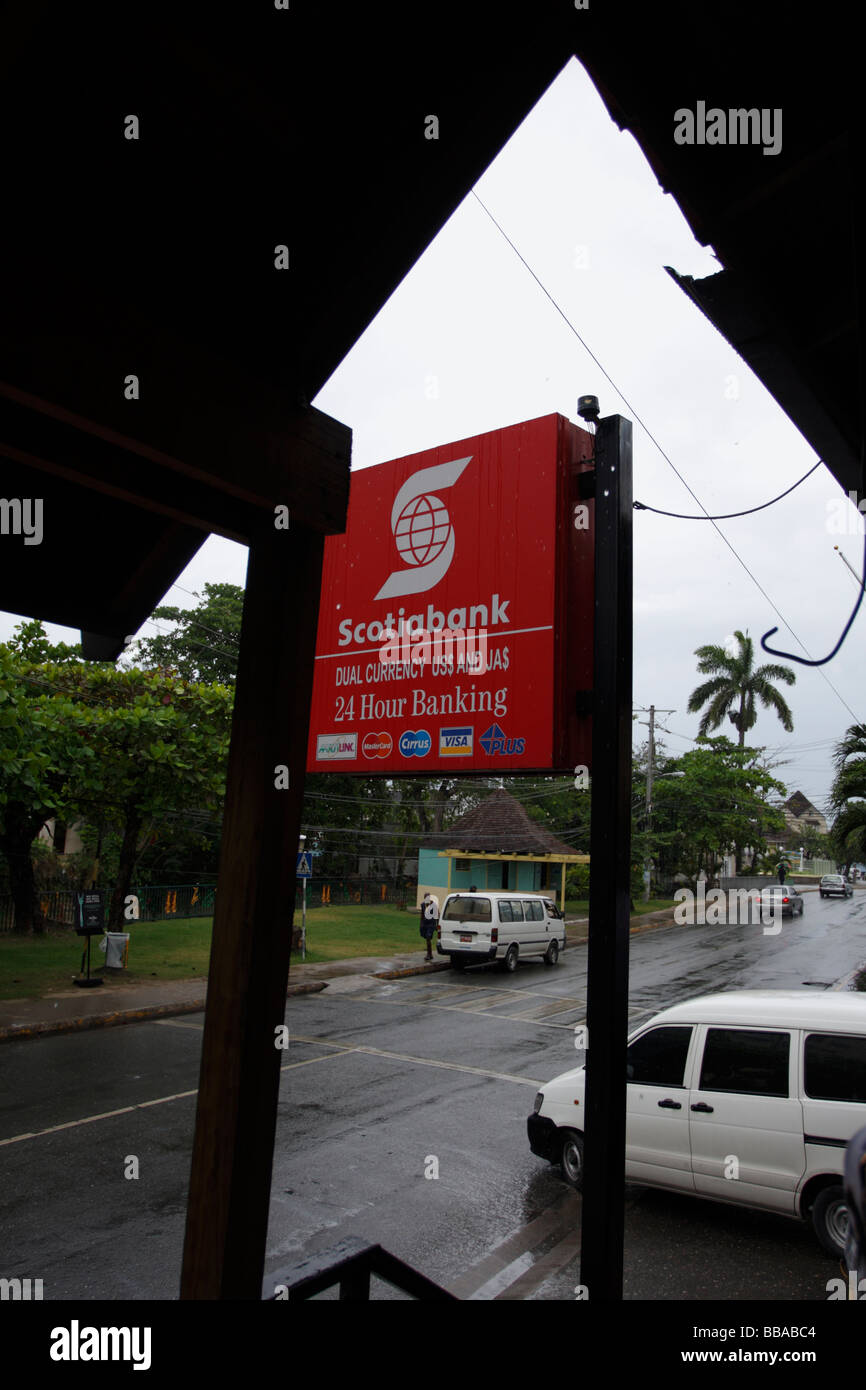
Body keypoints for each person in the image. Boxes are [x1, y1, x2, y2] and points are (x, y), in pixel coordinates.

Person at [419, 891, 439, 962]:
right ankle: (430, 954)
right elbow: (422, 915)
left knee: (428, 938)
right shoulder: (422, 905)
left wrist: (437, 925)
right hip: (425, 923)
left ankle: (429, 954)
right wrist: (421, 924)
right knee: (427, 938)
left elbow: (437, 915)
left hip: (431, 924)